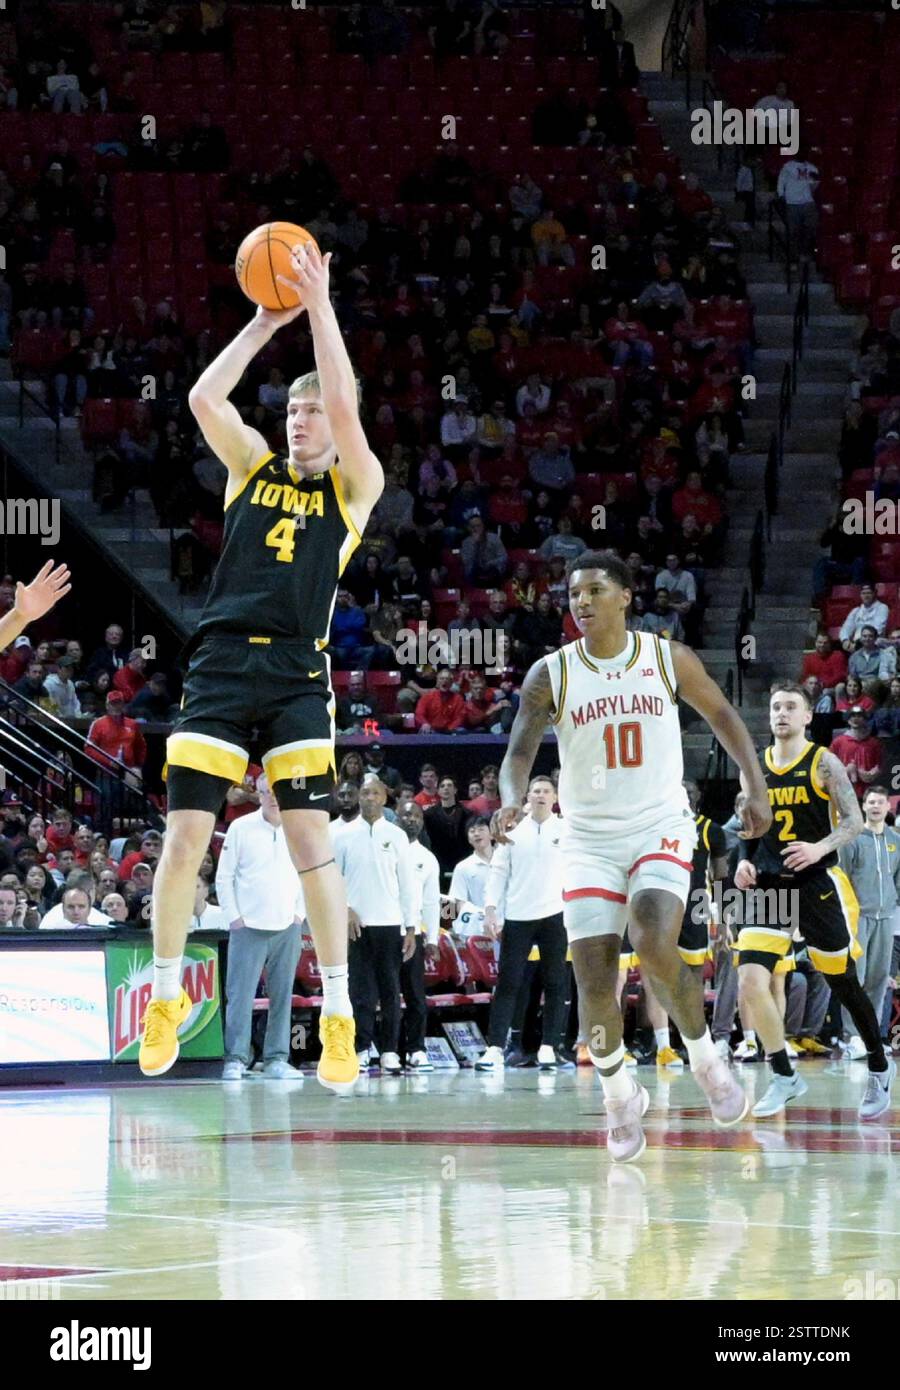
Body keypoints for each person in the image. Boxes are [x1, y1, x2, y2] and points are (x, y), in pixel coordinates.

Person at [140, 241, 384, 1091]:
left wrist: (318, 307)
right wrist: (262, 321)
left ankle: (343, 1014)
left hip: (293, 673)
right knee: (184, 841)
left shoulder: (354, 488)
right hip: (217, 665)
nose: (296, 421)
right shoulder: (250, 470)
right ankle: (166, 997)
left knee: (312, 846)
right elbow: (207, 397)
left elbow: (348, 405)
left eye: (307, 413)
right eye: (290, 413)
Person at [491, 550, 771, 1162]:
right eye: (573, 595)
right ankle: (619, 1093)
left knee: (650, 937)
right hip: (588, 838)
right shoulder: (551, 673)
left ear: (624, 596)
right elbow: (518, 753)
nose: (581, 603)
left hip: (658, 826)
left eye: (594, 591)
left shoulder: (665, 657)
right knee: (593, 976)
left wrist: (754, 784)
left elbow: (723, 713)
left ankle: (703, 1056)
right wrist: (511, 800)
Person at [734, 684, 894, 1121]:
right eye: (775, 707)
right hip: (768, 884)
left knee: (843, 981)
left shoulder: (824, 762)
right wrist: (743, 863)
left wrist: (818, 848)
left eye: (790, 707)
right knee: (750, 979)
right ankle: (784, 1075)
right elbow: (747, 827)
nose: (781, 713)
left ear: (808, 717)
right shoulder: (754, 766)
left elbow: (854, 821)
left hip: (815, 881)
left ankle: (880, 1065)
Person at [216, 774, 306, 1081]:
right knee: (240, 996)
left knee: (282, 995)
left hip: (287, 926)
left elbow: (309, 874)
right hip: (248, 925)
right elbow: (223, 876)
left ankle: (277, 1058)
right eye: (268, 792)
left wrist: (299, 914)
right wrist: (234, 917)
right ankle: (236, 1058)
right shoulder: (240, 828)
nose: (273, 798)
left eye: (278, 792)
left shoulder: (298, 828)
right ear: (259, 793)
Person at [476, 775, 570, 1071]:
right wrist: (491, 909)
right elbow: (498, 872)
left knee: (556, 983)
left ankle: (549, 1047)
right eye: (535, 791)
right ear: (527, 797)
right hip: (518, 915)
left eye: (546, 791)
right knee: (508, 983)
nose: (540, 795)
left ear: (555, 797)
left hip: (557, 914)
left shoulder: (567, 830)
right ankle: (494, 1048)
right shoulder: (512, 831)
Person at [330, 778, 418, 1074]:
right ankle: (362, 1048)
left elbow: (408, 885)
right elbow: (332, 880)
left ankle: (391, 1051)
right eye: (364, 792)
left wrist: (410, 928)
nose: (368, 797)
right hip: (356, 926)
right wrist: (344, 909)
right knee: (359, 991)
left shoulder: (396, 835)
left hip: (390, 923)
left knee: (390, 991)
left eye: (374, 793)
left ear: (384, 798)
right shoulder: (341, 835)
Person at [838, 786, 900, 1058]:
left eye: (880, 802)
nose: (875, 806)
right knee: (856, 978)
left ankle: (871, 1034)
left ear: (889, 807)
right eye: (871, 801)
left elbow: (896, 878)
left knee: (878, 978)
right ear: (863, 806)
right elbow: (843, 879)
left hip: (885, 917)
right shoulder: (851, 839)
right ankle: (851, 1036)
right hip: (857, 918)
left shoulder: (896, 841)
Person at [395, 798, 441, 1070]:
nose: (410, 819)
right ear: (395, 817)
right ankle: (378, 1049)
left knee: (415, 995)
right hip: (384, 930)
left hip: (414, 935)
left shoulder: (427, 858)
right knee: (379, 994)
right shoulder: (384, 849)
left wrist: (433, 938)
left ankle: (416, 1049)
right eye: (405, 815)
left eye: (416, 816)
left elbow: (431, 902)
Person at [830, 707, 882, 800]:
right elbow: (829, 766)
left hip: (868, 793)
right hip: (845, 793)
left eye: (859, 716)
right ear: (848, 719)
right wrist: (845, 770)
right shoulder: (839, 742)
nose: (855, 719)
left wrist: (873, 773)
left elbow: (879, 765)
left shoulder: (874, 743)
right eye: (852, 716)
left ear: (865, 719)